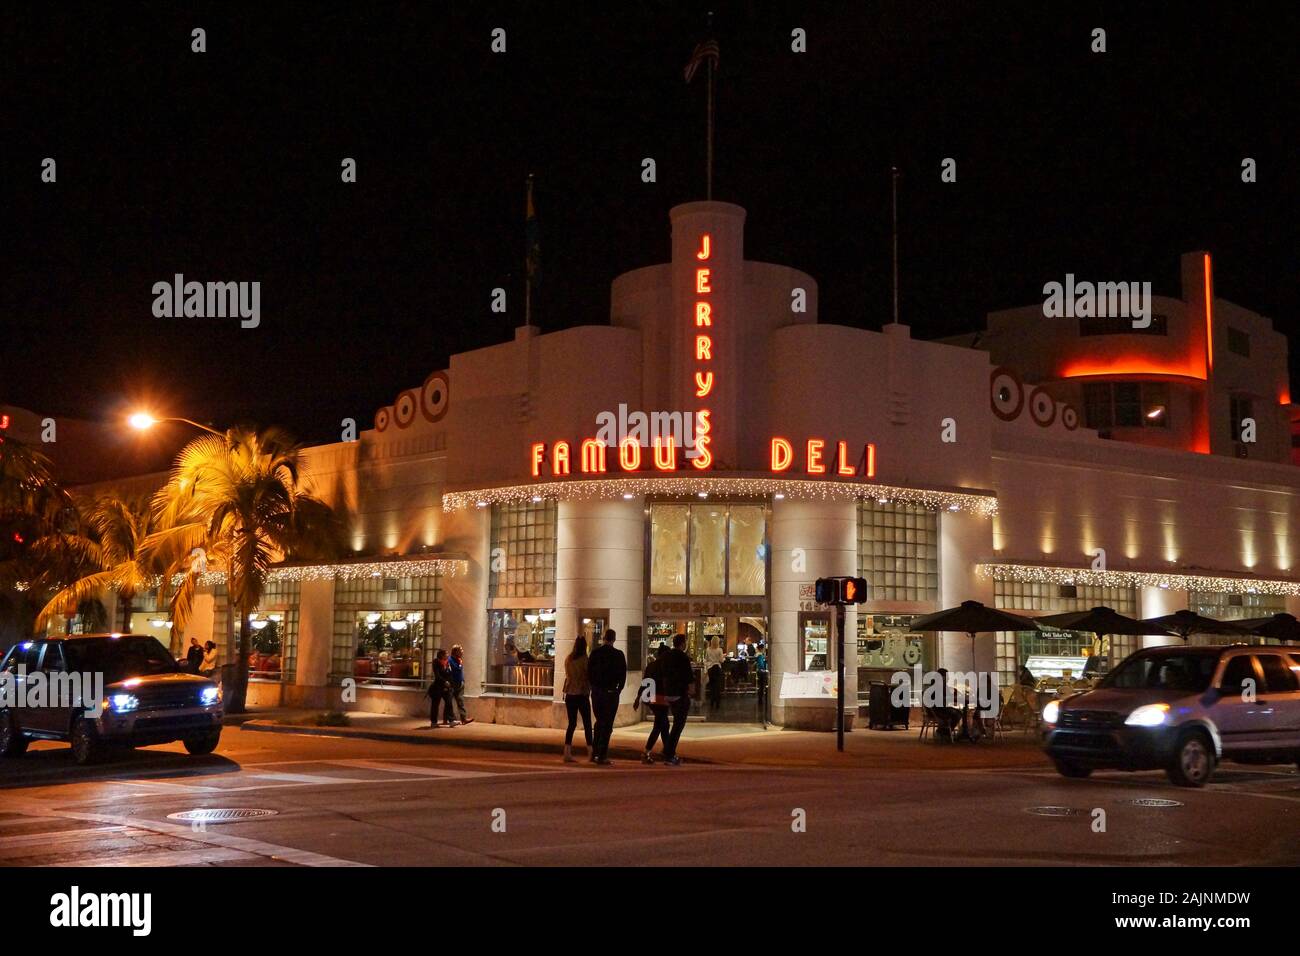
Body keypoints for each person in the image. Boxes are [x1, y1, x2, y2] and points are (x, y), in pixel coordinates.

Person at [587, 628, 626, 765]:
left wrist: (593, 687)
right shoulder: (618, 655)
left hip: (597, 692)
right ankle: (602, 754)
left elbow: (589, 672)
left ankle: (594, 752)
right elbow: (623, 675)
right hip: (611, 692)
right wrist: (618, 690)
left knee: (599, 721)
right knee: (607, 724)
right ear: (614, 639)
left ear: (604, 638)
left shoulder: (595, 653)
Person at [661, 632, 695, 766]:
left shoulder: (666, 656)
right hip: (680, 693)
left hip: (668, 692)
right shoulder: (683, 657)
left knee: (675, 723)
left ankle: (668, 751)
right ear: (683, 644)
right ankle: (669, 753)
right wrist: (690, 691)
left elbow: (663, 673)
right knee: (678, 725)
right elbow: (688, 676)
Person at [561, 635, 592, 762]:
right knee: (587, 723)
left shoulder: (569, 659)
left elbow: (568, 675)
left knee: (572, 724)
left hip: (570, 694)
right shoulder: (585, 660)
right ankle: (590, 751)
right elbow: (587, 676)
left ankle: (567, 751)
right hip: (582, 694)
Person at [640, 644, 670, 763]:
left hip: (652, 698)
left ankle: (666, 751)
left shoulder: (651, 666)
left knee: (662, 725)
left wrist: (639, 697)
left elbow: (645, 682)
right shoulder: (665, 666)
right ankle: (666, 753)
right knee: (662, 725)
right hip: (662, 698)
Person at [427, 648, 458, 727]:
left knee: (449, 702)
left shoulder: (447, 662)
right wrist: (444, 682)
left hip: (446, 687)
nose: (448, 655)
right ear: (441, 655)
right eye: (446, 654)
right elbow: (437, 676)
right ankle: (433, 722)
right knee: (435, 704)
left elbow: (450, 674)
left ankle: (451, 720)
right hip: (437, 687)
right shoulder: (436, 663)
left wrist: (451, 683)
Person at [448, 644, 474, 725]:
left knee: (460, 701)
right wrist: (460, 664)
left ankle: (463, 719)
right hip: (453, 683)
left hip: (460, 682)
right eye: (461, 650)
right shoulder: (450, 660)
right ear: (456, 652)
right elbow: (456, 669)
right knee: (449, 701)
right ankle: (448, 719)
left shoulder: (458, 659)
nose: (462, 651)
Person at [704, 636, 725, 711]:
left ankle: (712, 702)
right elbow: (721, 660)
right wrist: (723, 657)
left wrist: (708, 665)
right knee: (718, 686)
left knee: (712, 686)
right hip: (717, 668)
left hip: (710, 669)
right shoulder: (720, 650)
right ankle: (717, 703)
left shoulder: (708, 649)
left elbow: (706, 659)